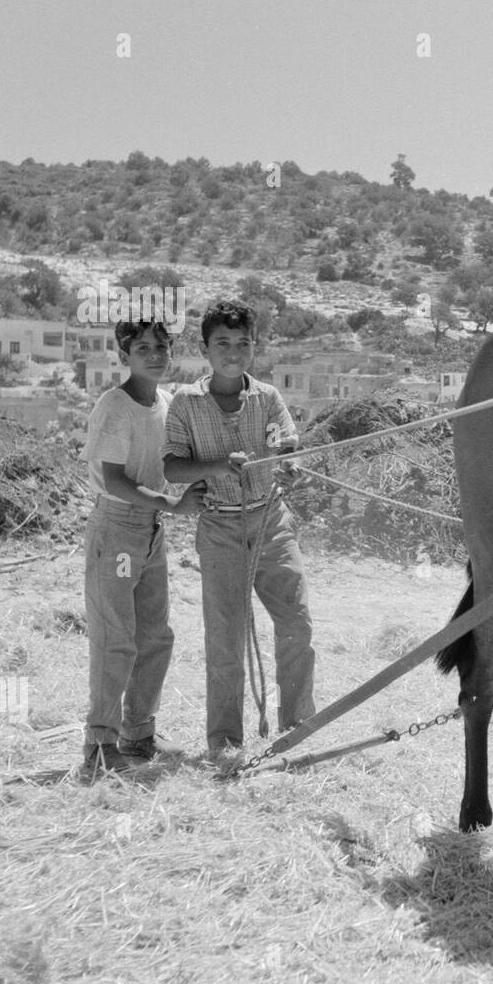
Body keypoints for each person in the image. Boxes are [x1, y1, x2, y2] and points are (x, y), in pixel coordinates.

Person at [163, 300, 315, 758]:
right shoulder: (186, 403)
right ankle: (225, 744)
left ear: (255, 347)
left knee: (297, 626)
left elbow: (287, 448)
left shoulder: (268, 397)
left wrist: (290, 466)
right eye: (222, 344)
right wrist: (216, 467)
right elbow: (172, 467)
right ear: (205, 349)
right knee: (225, 641)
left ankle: (297, 729)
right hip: (221, 530)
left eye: (243, 343)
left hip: (272, 524)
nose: (233, 352)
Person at [81, 320, 206, 778]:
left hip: (151, 530)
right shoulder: (115, 406)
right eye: (142, 348)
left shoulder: (166, 404)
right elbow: (115, 481)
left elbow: (174, 467)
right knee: (116, 640)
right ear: (124, 356)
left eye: (161, 347)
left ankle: (139, 733)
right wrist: (175, 504)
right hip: (117, 529)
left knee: (155, 637)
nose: (154, 355)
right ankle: (98, 743)